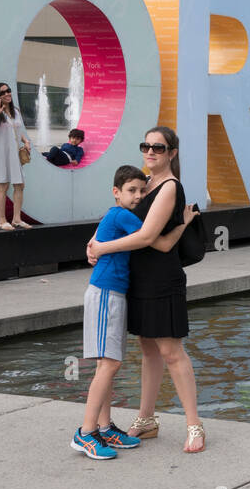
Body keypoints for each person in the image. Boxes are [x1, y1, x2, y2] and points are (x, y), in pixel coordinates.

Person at [88, 126, 205, 453]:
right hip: (137, 278)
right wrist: (96, 240)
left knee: (171, 352)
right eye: (146, 146)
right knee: (149, 351)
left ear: (172, 153)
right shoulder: (144, 183)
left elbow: (147, 237)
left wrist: (102, 248)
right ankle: (146, 419)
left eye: (158, 147)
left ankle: (194, 424)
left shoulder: (169, 186)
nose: (150, 151)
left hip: (161, 279)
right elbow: (119, 214)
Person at [72, 165, 148, 460]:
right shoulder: (121, 214)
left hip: (109, 293)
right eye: (131, 191)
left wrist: (96, 246)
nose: (138, 196)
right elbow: (147, 234)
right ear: (116, 193)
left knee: (107, 363)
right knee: (110, 364)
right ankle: (86, 433)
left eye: (142, 191)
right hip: (105, 294)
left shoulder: (115, 213)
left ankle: (104, 427)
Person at [0, 81, 31, 229]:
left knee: (20, 185)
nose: (7, 94)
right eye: (2, 92)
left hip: (14, 154)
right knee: (3, 185)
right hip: (1, 153)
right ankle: (2, 220)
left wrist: (26, 141)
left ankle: (17, 218)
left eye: (8, 91)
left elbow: (19, 130)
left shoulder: (16, 111)